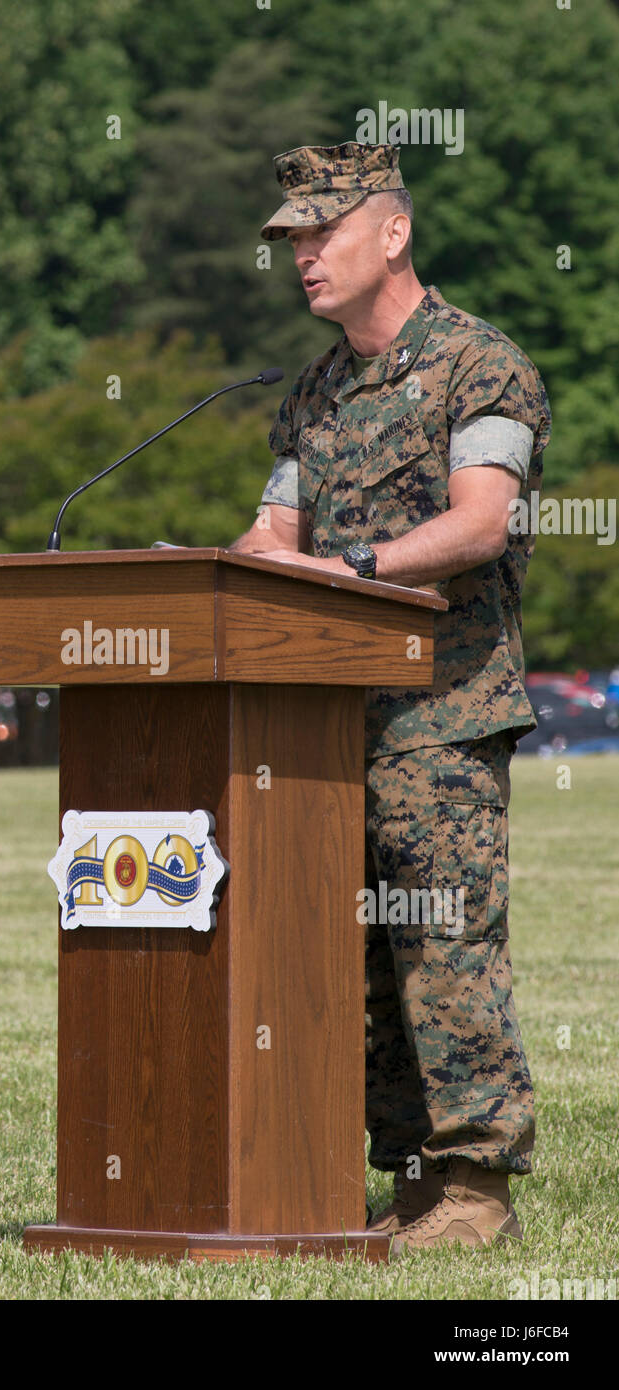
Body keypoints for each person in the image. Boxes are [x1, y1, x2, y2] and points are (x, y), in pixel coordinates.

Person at [229, 142, 551, 1256]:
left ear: (393, 232)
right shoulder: (315, 393)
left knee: (442, 941)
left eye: (320, 232)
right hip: (321, 721)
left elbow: (481, 524)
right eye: (291, 239)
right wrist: (210, 576)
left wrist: (354, 570)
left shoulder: (479, 365)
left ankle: (474, 1184)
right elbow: (275, 534)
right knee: (354, 951)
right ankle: (409, 1178)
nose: (303, 255)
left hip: (443, 711)